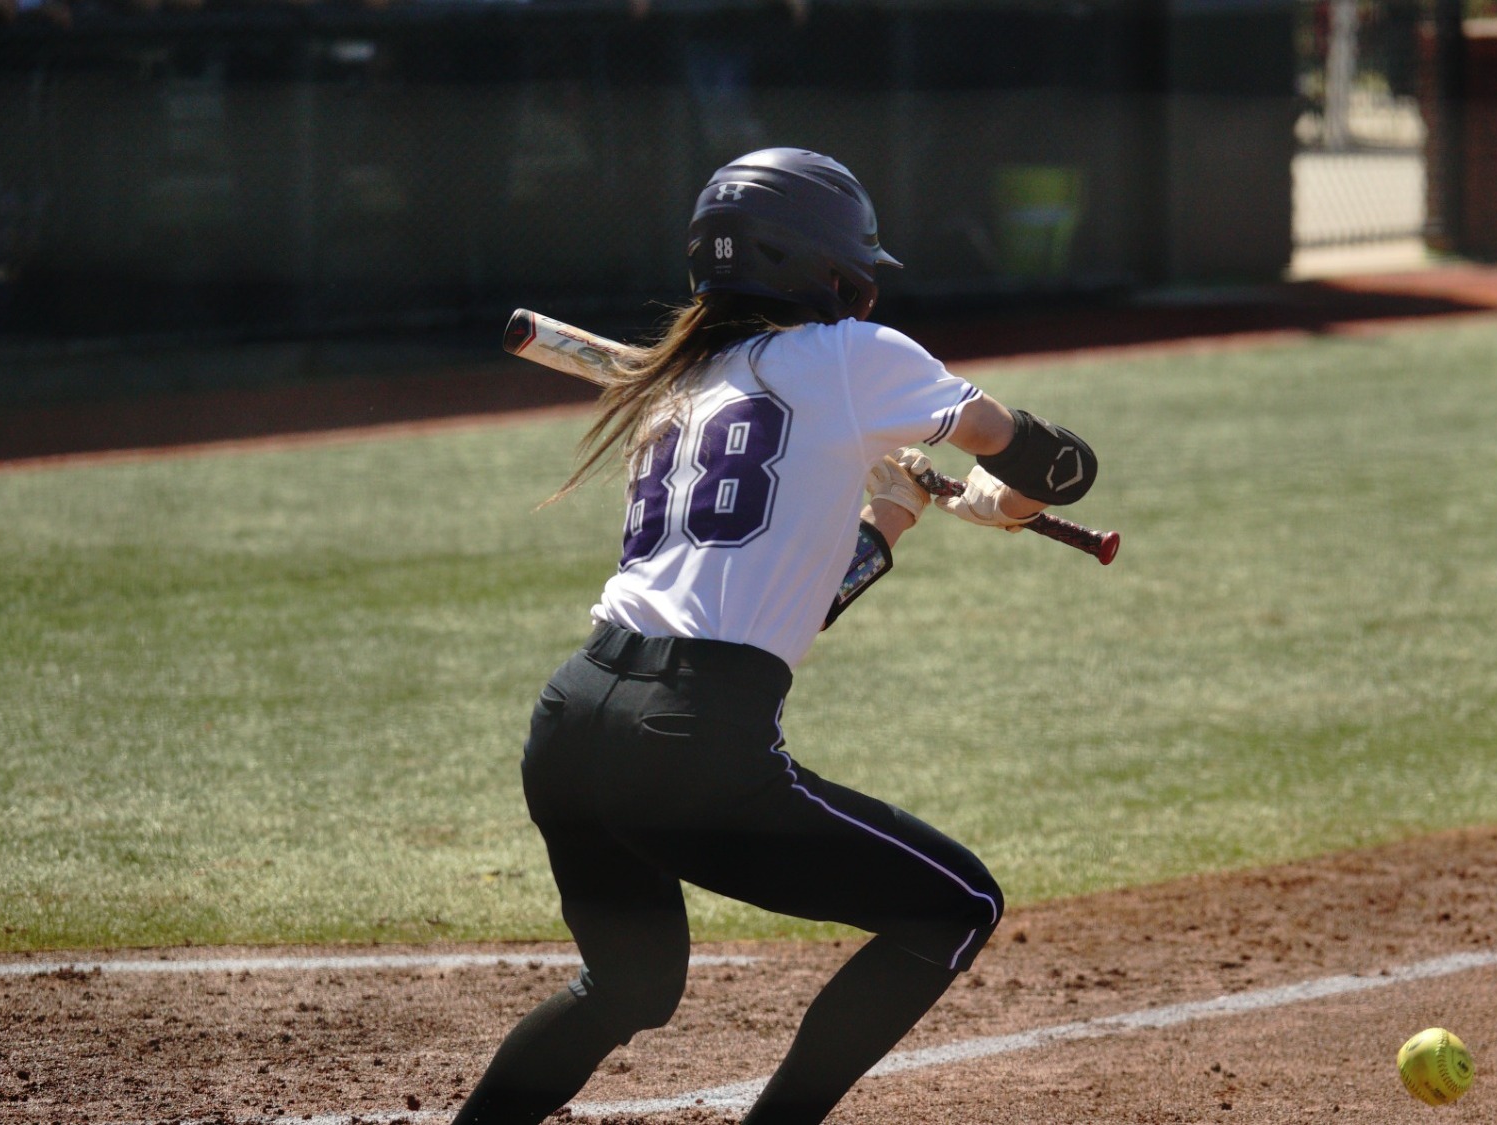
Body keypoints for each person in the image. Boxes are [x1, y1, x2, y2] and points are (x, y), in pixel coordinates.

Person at [449, 148, 1100, 1125]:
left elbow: (785, 597)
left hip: (574, 720)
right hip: (688, 741)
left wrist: (890, 515)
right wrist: (1012, 495)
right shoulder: (853, 359)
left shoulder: (681, 392)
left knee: (628, 990)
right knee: (955, 907)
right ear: (824, 267)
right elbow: (1060, 468)